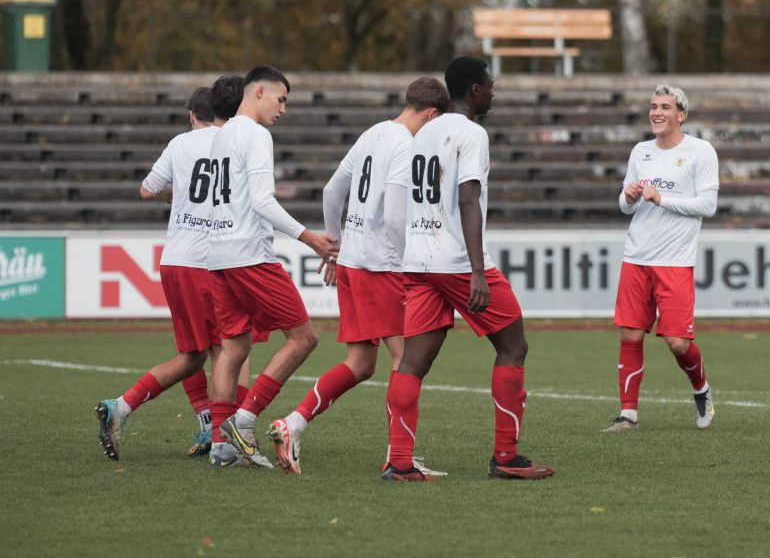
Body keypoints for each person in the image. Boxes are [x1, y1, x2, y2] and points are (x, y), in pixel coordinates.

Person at [382, 56, 555, 482]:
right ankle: (505, 457)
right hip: (456, 261)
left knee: (413, 363)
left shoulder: (421, 132)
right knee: (513, 346)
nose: (493, 91)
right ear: (475, 89)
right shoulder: (470, 132)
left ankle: (400, 463)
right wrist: (477, 271)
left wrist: (413, 254)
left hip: (418, 261)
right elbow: (467, 200)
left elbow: (403, 200)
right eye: (490, 85)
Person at [267, 77, 450, 475]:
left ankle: (291, 425)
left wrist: (336, 245)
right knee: (407, 360)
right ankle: (398, 457)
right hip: (382, 266)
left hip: (353, 262)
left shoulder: (373, 133)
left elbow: (332, 191)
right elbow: (397, 214)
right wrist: (411, 261)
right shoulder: (405, 143)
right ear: (432, 114)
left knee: (361, 363)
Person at [95, 76, 245, 462]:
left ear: (194, 115)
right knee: (229, 349)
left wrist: (179, 195)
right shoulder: (240, 142)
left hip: (175, 258)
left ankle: (209, 425)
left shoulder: (180, 143)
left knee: (197, 350)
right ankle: (226, 431)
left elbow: (148, 188)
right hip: (211, 261)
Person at [206, 65, 339, 469]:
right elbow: (263, 201)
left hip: (217, 254)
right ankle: (243, 422)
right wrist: (311, 237)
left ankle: (221, 446)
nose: (283, 109)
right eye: (281, 99)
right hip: (249, 254)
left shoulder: (221, 134)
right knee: (303, 338)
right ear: (259, 91)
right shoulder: (256, 134)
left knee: (234, 347)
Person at [604, 85, 719, 434]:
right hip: (636, 256)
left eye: (664, 107)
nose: (656, 112)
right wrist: (628, 195)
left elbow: (708, 206)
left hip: (675, 261)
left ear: (680, 115)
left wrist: (662, 199)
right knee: (630, 334)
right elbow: (626, 208)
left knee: (678, 343)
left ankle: (701, 389)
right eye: (653, 106)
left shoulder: (701, 151)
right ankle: (628, 415)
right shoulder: (641, 151)